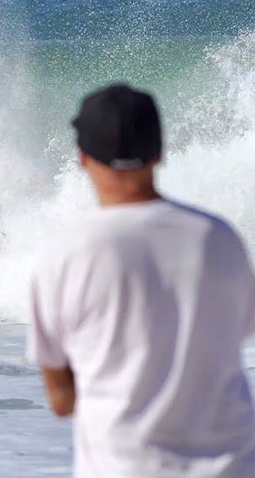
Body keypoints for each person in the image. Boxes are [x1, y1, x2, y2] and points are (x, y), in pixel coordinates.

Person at [27, 84, 255, 477]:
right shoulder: (218, 237)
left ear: (82, 158)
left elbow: (61, 400)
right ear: (159, 153)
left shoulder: (65, 255)